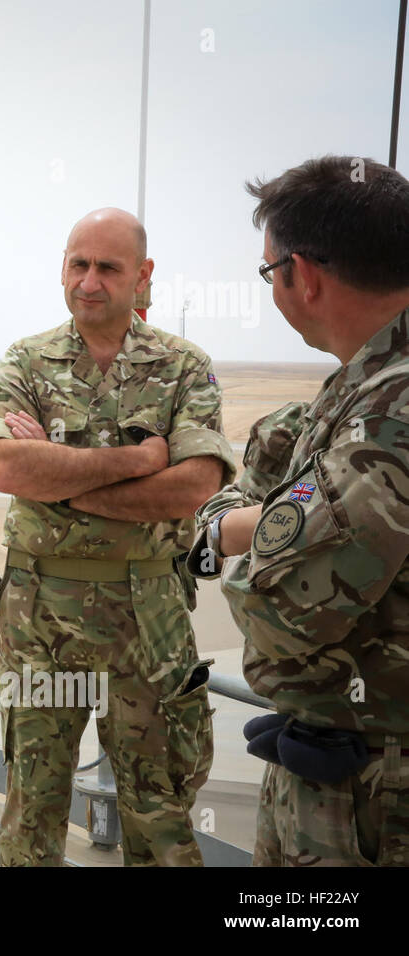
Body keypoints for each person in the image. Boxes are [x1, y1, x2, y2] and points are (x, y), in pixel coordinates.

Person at [0, 207, 235, 866]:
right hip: (41, 622)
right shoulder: (27, 360)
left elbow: (194, 485)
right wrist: (139, 462)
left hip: (148, 622)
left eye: (107, 267)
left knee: (160, 812)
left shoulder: (183, 368)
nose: (89, 281)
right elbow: (6, 466)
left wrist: (60, 483)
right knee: (33, 807)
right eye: (77, 264)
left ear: (142, 276)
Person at [192, 156, 409, 866]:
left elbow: (276, 607)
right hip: (335, 760)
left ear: (302, 276)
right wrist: (273, 514)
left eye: (268, 273)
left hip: (373, 795)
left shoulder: (389, 413)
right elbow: (270, 480)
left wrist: (237, 530)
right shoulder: (359, 389)